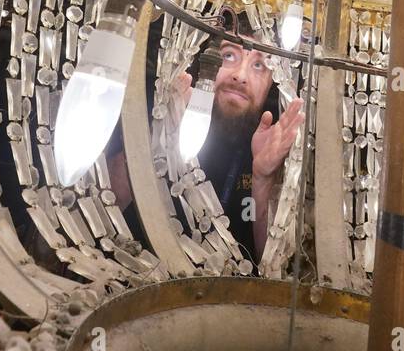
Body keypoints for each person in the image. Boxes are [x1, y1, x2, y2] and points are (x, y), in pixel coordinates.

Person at [106, 26, 305, 264]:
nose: (240, 76)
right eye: (228, 56)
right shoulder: (156, 108)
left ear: (271, 83)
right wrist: (159, 133)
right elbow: (106, 210)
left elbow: (272, 268)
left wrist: (263, 179)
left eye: (258, 65)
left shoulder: (270, 146)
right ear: (206, 61)